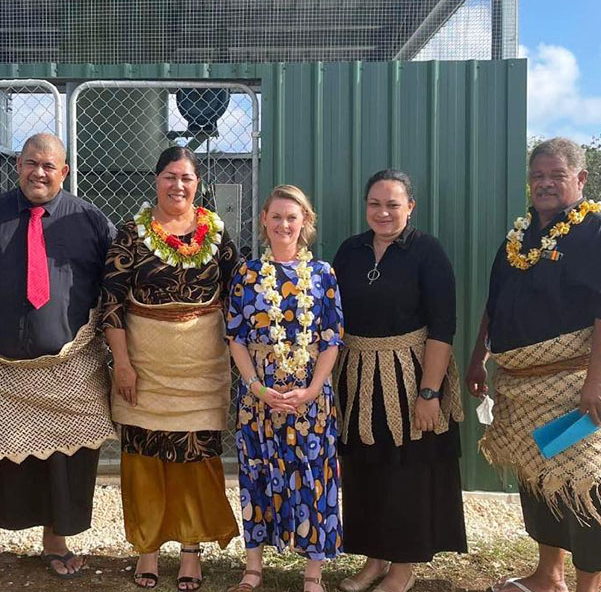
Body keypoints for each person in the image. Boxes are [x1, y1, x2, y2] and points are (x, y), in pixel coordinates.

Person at [466, 138, 601, 592]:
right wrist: (477, 359)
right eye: (537, 177)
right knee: (540, 481)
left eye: (556, 176)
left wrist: (598, 382)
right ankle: (548, 575)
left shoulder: (600, 231)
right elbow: (495, 305)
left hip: (578, 386)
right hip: (522, 387)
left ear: (580, 179)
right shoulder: (519, 238)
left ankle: (588, 587)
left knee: (586, 486)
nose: (544, 184)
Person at [0, 132, 116, 581]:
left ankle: (56, 540)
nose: (39, 173)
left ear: (64, 171)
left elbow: (111, 289)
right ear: (18, 165)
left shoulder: (91, 222)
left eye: (49, 166)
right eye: (30, 163)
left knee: (62, 460)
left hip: (68, 367)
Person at [102, 146, 240, 590]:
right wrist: (121, 364)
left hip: (201, 369)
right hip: (144, 368)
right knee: (145, 455)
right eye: (169, 176)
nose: (177, 185)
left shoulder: (218, 237)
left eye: (186, 177)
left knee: (196, 456)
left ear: (197, 183)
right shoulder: (130, 235)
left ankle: (191, 550)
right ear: (156, 180)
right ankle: (147, 548)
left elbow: (237, 298)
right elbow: (111, 304)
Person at [332, 169, 467, 592]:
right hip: (356, 375)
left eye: (393, 204)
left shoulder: (427, 252)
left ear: (411, 207)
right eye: (375, 203)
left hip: (410, 374)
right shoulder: (350, 250)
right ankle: (374, 560)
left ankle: (402, 568)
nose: (383, 212)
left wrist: (429, 392)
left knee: (407, 471)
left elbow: (443, 326)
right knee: (365, 468)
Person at [225, 185, 344, 592]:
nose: (283, 224)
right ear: (264, 219)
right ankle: (253, 567)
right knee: (257, 471)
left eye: (292, 217)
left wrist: (312, 390)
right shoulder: (247, 273)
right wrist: (255, 386)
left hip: (309, 396)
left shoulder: (323, 274)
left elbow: (331, 339)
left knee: (313, 476)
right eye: (276, 216)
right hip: (260, 396)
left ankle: (313, 572)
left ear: (305, 221)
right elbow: (236, 337)